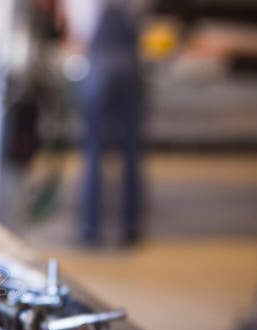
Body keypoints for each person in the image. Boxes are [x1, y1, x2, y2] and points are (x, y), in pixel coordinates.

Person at [62, 0, 148, 245]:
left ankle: (91, 228)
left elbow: (77, 33)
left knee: (93, 151)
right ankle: (131, 228)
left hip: (97, 69)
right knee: (131, 153)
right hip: (131, 69)